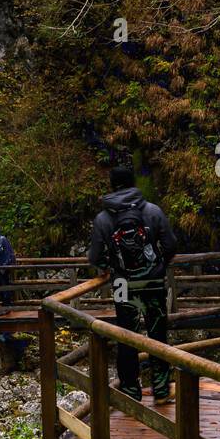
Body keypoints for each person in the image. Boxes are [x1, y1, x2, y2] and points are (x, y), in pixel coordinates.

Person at [88, 165, 178, 404]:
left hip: (121, 283)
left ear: (112, 185)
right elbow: (170, 245)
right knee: (157, 332)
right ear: (132, 182)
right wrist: (158, 266)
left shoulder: (103, 219)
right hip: (152, 280)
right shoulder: (153, 211)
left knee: (125, 335)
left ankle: (130, 392)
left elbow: (95, 257)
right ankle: (161, 390)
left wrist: (110, 267)